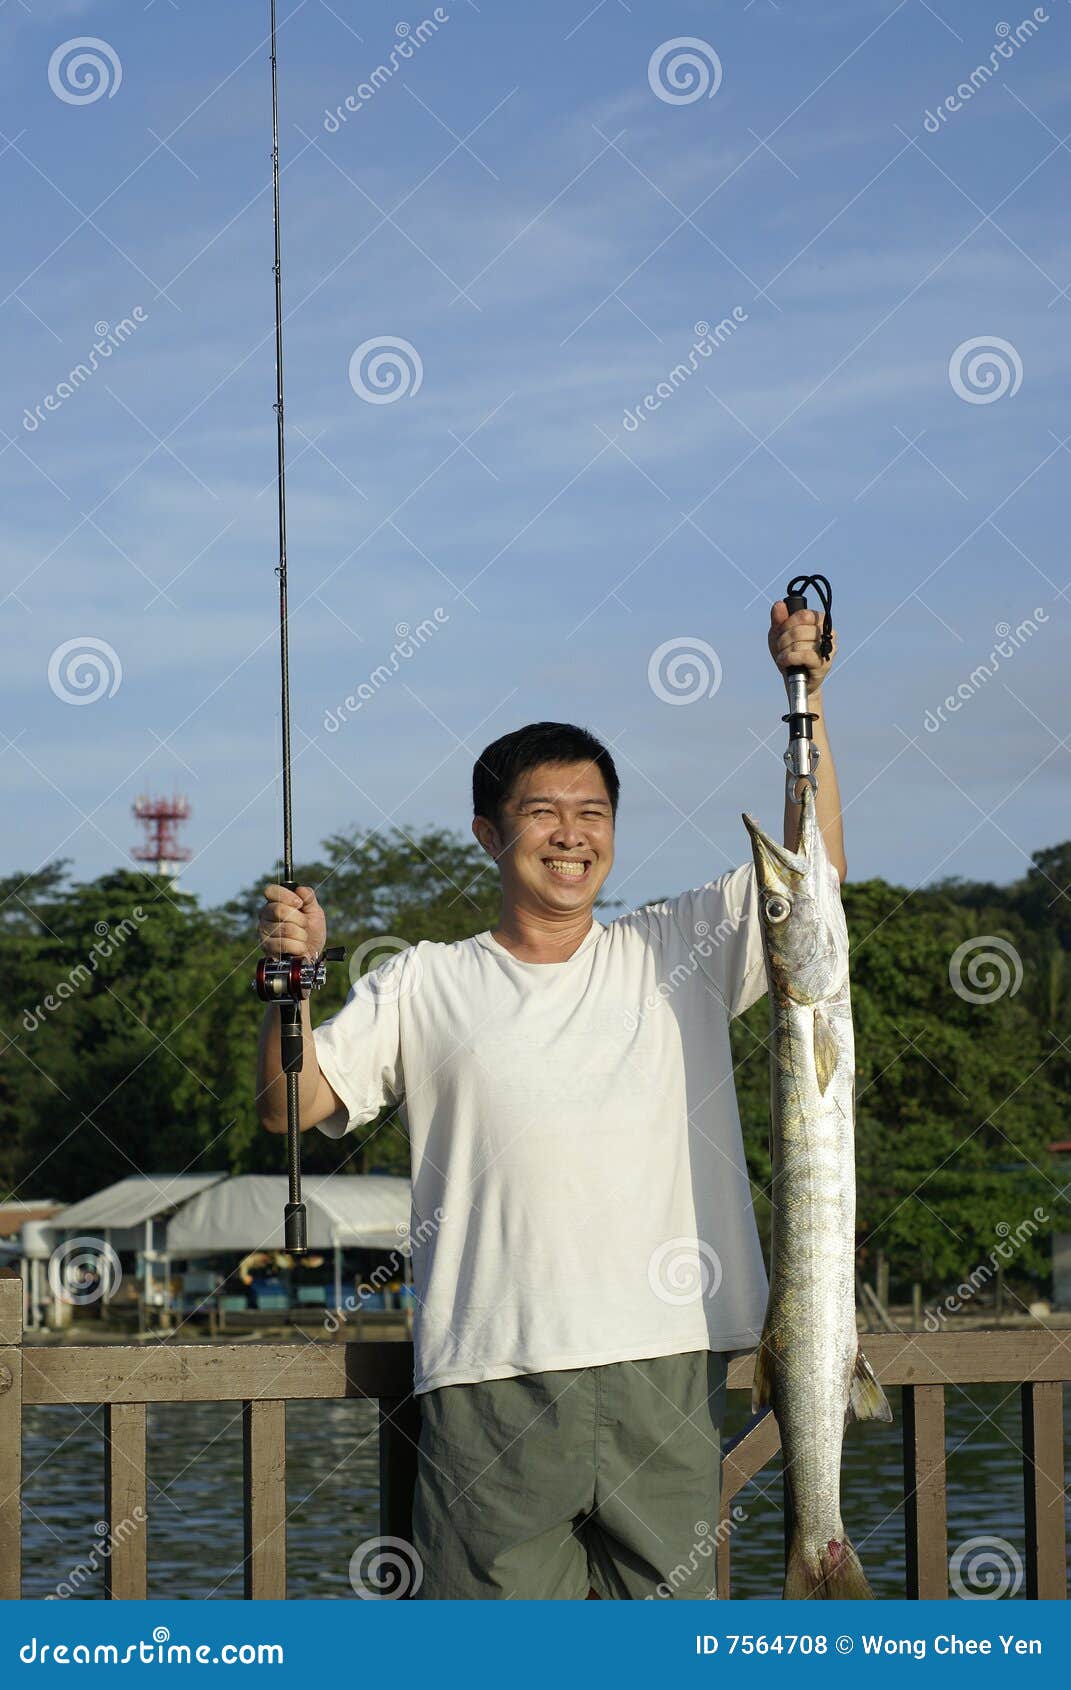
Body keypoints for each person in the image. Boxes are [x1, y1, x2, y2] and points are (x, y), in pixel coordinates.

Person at [255, 601, 844, 1599]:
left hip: (669, 1370)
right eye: (542, 813)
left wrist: (807, 706)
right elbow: (289, 1103)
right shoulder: (423, 979)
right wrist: (289, 982)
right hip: (488, 1378)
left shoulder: (678, 947)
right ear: (490, 833)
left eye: (593, 814)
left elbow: (814, 884)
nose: (571, 835)